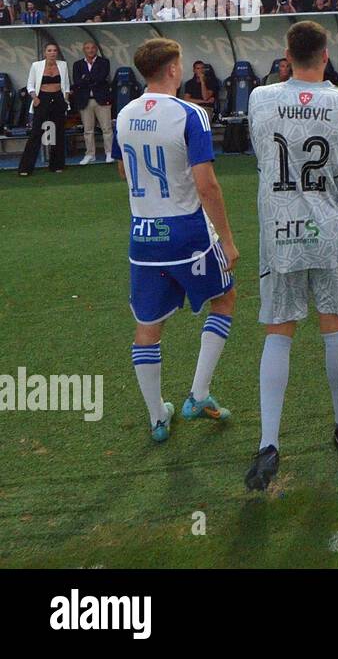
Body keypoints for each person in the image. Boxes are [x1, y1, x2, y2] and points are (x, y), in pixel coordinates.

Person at [244, 21, 338, 492]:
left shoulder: (260, 98)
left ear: (286, 55)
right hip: (328, 230)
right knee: (333, 322)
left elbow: (261, 157)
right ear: (324, 55)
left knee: (279, 330)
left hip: (279, 231)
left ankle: (268, 442)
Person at [111, 38, 237, 441]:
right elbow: (207, 186)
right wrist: (229, 242)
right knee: (225, 298)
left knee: (148, 325)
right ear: (171, 69)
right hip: (186, 233)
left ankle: (157, 418)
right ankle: (198, 393)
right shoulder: (190, 114)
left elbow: (122, 172)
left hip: (143, 235)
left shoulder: (125, 114)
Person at [19, 44, 70, 176]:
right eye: (49, 51)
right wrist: (35, 98)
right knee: (36, 132)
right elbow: (30, 84)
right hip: (42, 98)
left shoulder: (63, 65)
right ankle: (25, 168)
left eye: (54, 51)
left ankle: (57, 165)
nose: (52, 53)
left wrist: (66, 99)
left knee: (58, 131)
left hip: (58, 98)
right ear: (45, 52)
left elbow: (66, 84)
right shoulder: (36, 65)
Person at [72, 41, 114, 164]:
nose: (90, 50)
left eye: (92, 48)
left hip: (101, 99)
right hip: (85, 100)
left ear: (96, 49)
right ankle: (90, 154)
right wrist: (88, 79)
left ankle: (109, 152)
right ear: (84, 50)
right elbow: (77, 82)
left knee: (106, 128)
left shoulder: (104, 62)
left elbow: (101, 78)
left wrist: (86, 78)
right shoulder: (78, 64)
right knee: (88, 130)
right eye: (87, 48)